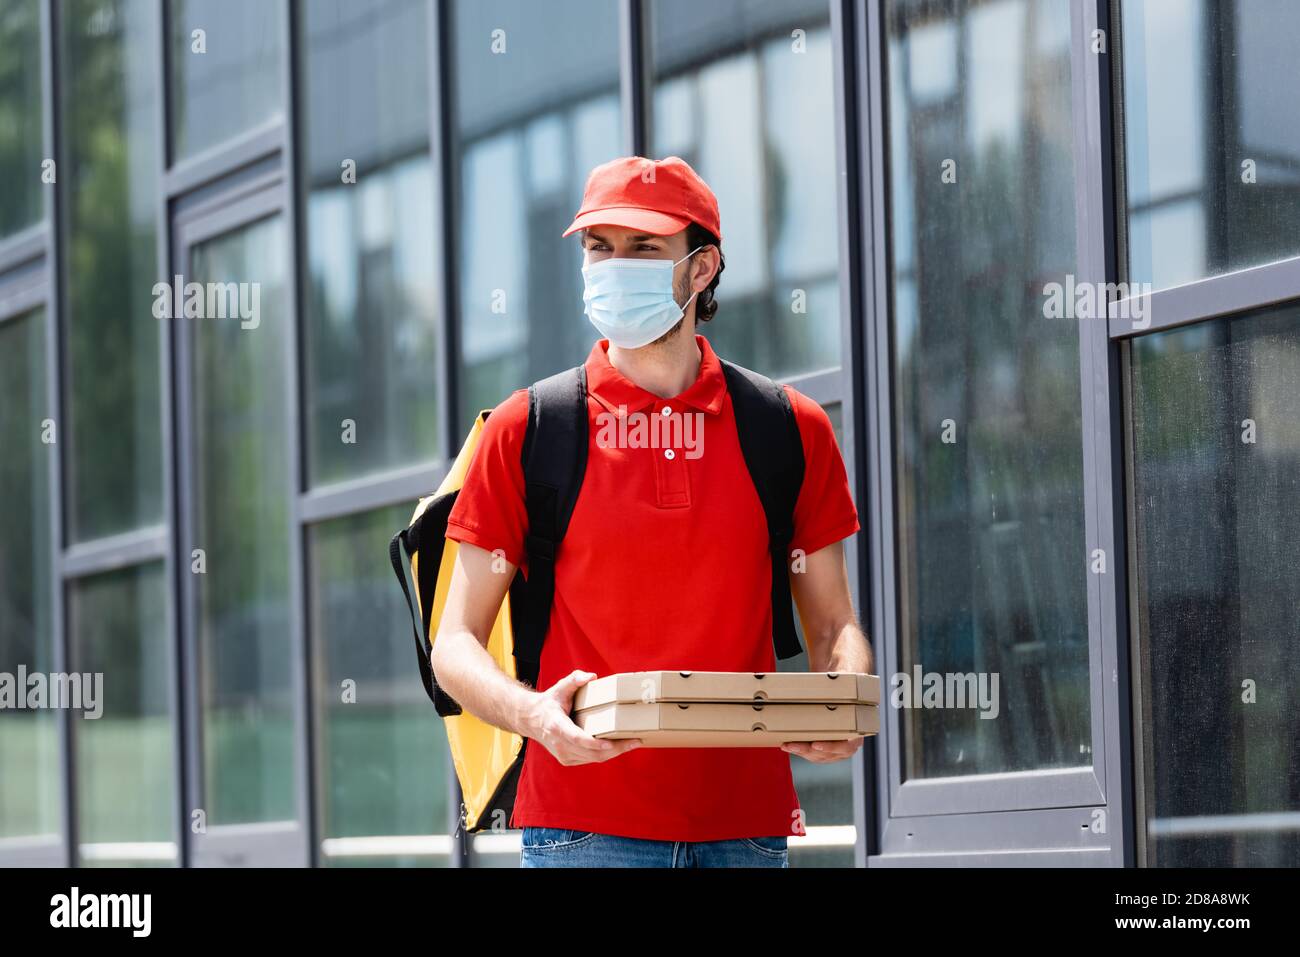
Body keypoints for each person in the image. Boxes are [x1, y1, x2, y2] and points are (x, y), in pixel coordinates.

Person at [431, 155, 871, 868]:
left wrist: (843, 697)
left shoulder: (789, 429)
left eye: (642, 247)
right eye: (599, 247)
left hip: (747, 830)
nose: (613, 266)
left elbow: (832, 622)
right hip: (583, 829)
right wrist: (533, 714)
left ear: (701, 269)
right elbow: (454, 645)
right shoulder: (529, 429)